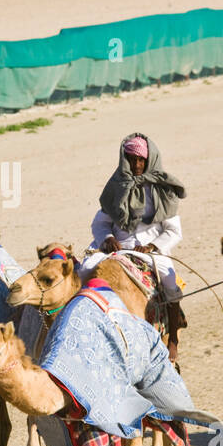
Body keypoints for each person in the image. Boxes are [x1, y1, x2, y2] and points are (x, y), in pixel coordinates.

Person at [88, 133, 186, 360]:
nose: (137, 165)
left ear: (150, 159)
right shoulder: (115, 188)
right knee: (83, 271)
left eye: (141, 159)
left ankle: (172, 338)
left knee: (170, 282)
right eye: (131, 159)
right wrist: (107, 238)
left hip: (150, 252)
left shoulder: (161, 190)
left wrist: (153, 246)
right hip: (116, 249)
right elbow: (100, 224)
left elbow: (173, 231)